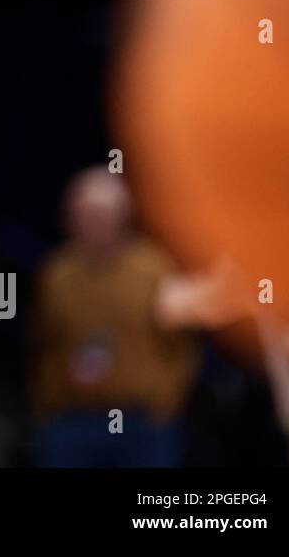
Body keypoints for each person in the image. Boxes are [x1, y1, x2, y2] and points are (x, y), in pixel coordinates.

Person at [30, 167, 199, 467]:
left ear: (122, 218)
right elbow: (44, 343)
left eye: (97, 216)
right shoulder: (57, 274)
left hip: (141, 422)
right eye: (79, 215)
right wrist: (49, 407)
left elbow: (183, 346)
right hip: (74, 419)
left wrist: (167, 404)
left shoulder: (156, 271)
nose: (87, 224)